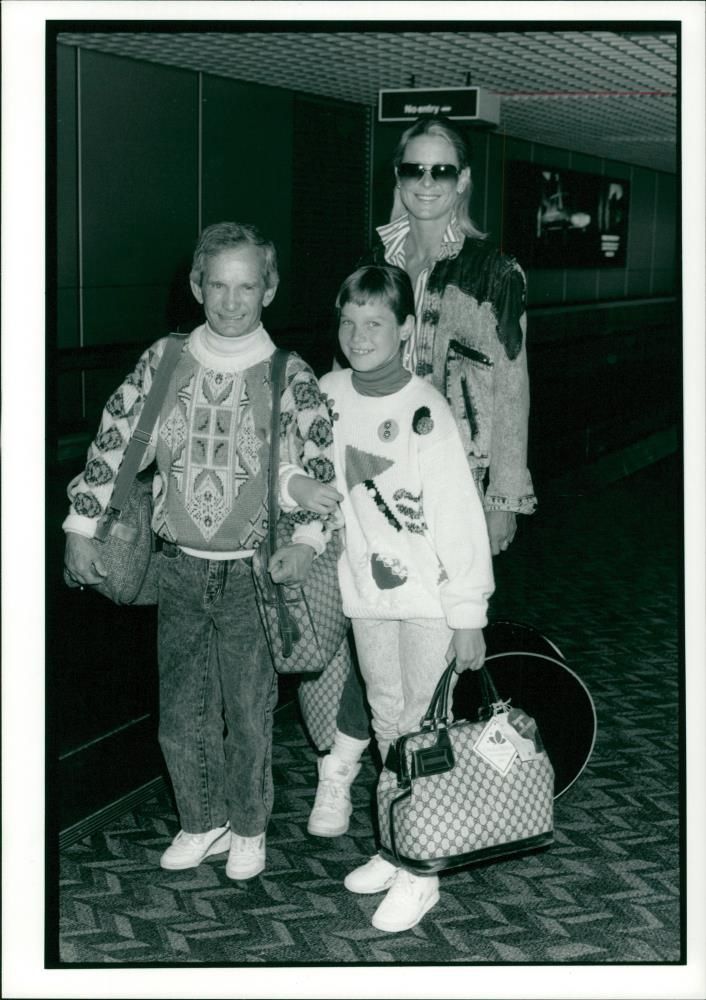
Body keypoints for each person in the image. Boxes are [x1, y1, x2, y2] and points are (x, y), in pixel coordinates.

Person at [62, 221, 339, 881]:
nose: (233, 299)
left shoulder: (288, 373)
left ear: (268, 289)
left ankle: (248, 827)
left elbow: (318, 460)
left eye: (247, 285)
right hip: (178, 566)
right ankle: (201, 819)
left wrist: (305, 540)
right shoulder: (167, 359)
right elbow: (118, 438)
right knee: (181, 708)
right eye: (219, 284)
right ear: (197, 286)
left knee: (247, 711)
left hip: (252, 573)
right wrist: (82, 524)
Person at [301, 114, 537, 839]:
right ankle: (359, 776)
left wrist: (504, 494)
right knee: (366, 633)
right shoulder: (379, 256)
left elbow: (513, 384)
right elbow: (352, 355)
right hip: (374, 481)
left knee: (433, 646)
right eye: (413, 170)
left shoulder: (497, 272)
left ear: (462, 181)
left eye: (442, 171)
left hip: (453, 488)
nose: (426, 184)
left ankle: (415, 800)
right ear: (398, 179)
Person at [291, 263, 494, 931]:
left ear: (405, 330)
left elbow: (461, 518)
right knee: (386, 725)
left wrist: (468, 614)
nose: (359, 334)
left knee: (422, 729)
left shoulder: (424, 409)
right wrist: (304, 503)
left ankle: (422, 870)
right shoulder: (326, 393)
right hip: (367, 598)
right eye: (349, 322)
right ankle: (397, 839)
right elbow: (303, 472)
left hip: (431, 602)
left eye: (376, 322)